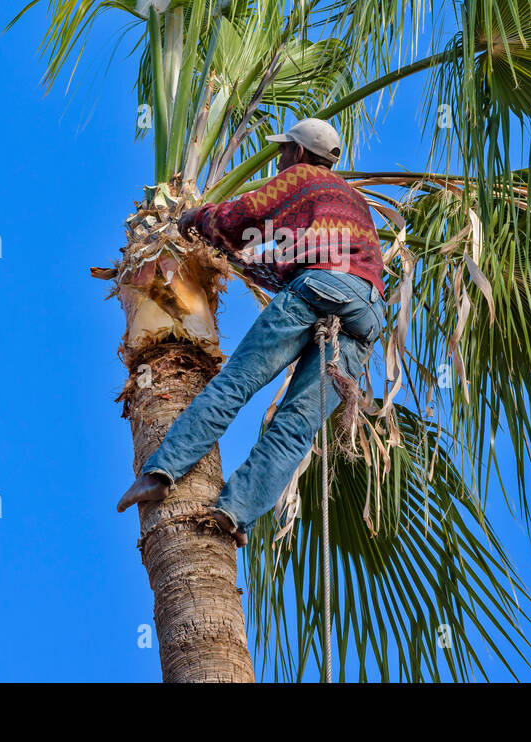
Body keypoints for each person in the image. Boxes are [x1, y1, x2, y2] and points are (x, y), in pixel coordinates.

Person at [116, 118, 386, 547]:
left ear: (299, 152)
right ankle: (235, 513)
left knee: (237, 384)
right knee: (296, 428)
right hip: (365, 316)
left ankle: (160, 473)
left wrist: (197, 219)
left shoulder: (301, 177)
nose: (279, 159)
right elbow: (311, 267)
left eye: (283, 151)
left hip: (319, 288)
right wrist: (237, 261)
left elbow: (243, 215)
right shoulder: (353, 202)